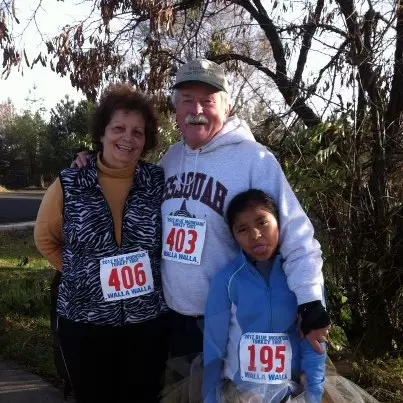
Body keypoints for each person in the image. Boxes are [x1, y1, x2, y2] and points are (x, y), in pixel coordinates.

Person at [73, 59, 331, 359]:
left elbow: (295, 233)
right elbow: (127, 183)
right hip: (172, 319)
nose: (196, 111)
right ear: (176, 110)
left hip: (232, 323)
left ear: (227, 108)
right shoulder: (170, 160)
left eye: (207, 102)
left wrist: (310, 299)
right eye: (187, 101)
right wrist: (94, 162)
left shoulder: (254, 160)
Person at [35, 84, 168, 403]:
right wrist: (82, 277)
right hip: (84, 322)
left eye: (138, 131)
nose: (128, 138)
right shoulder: (70, 181)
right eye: (118, 128)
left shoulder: (158, 181)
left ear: (146, 138)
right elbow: (45, 239)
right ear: (102, 133)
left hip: (146, 322)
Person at [203, 189, 326, 403]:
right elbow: (214, 345)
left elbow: (314, 341)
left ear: (279, 222)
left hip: (291, 392)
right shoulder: (227, 280)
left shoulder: (303, 279)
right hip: (239, 393)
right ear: (233, 236)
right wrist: (209, 398)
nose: (255, 235)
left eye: (262, 222)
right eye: (243, 229)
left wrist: (314, 393)